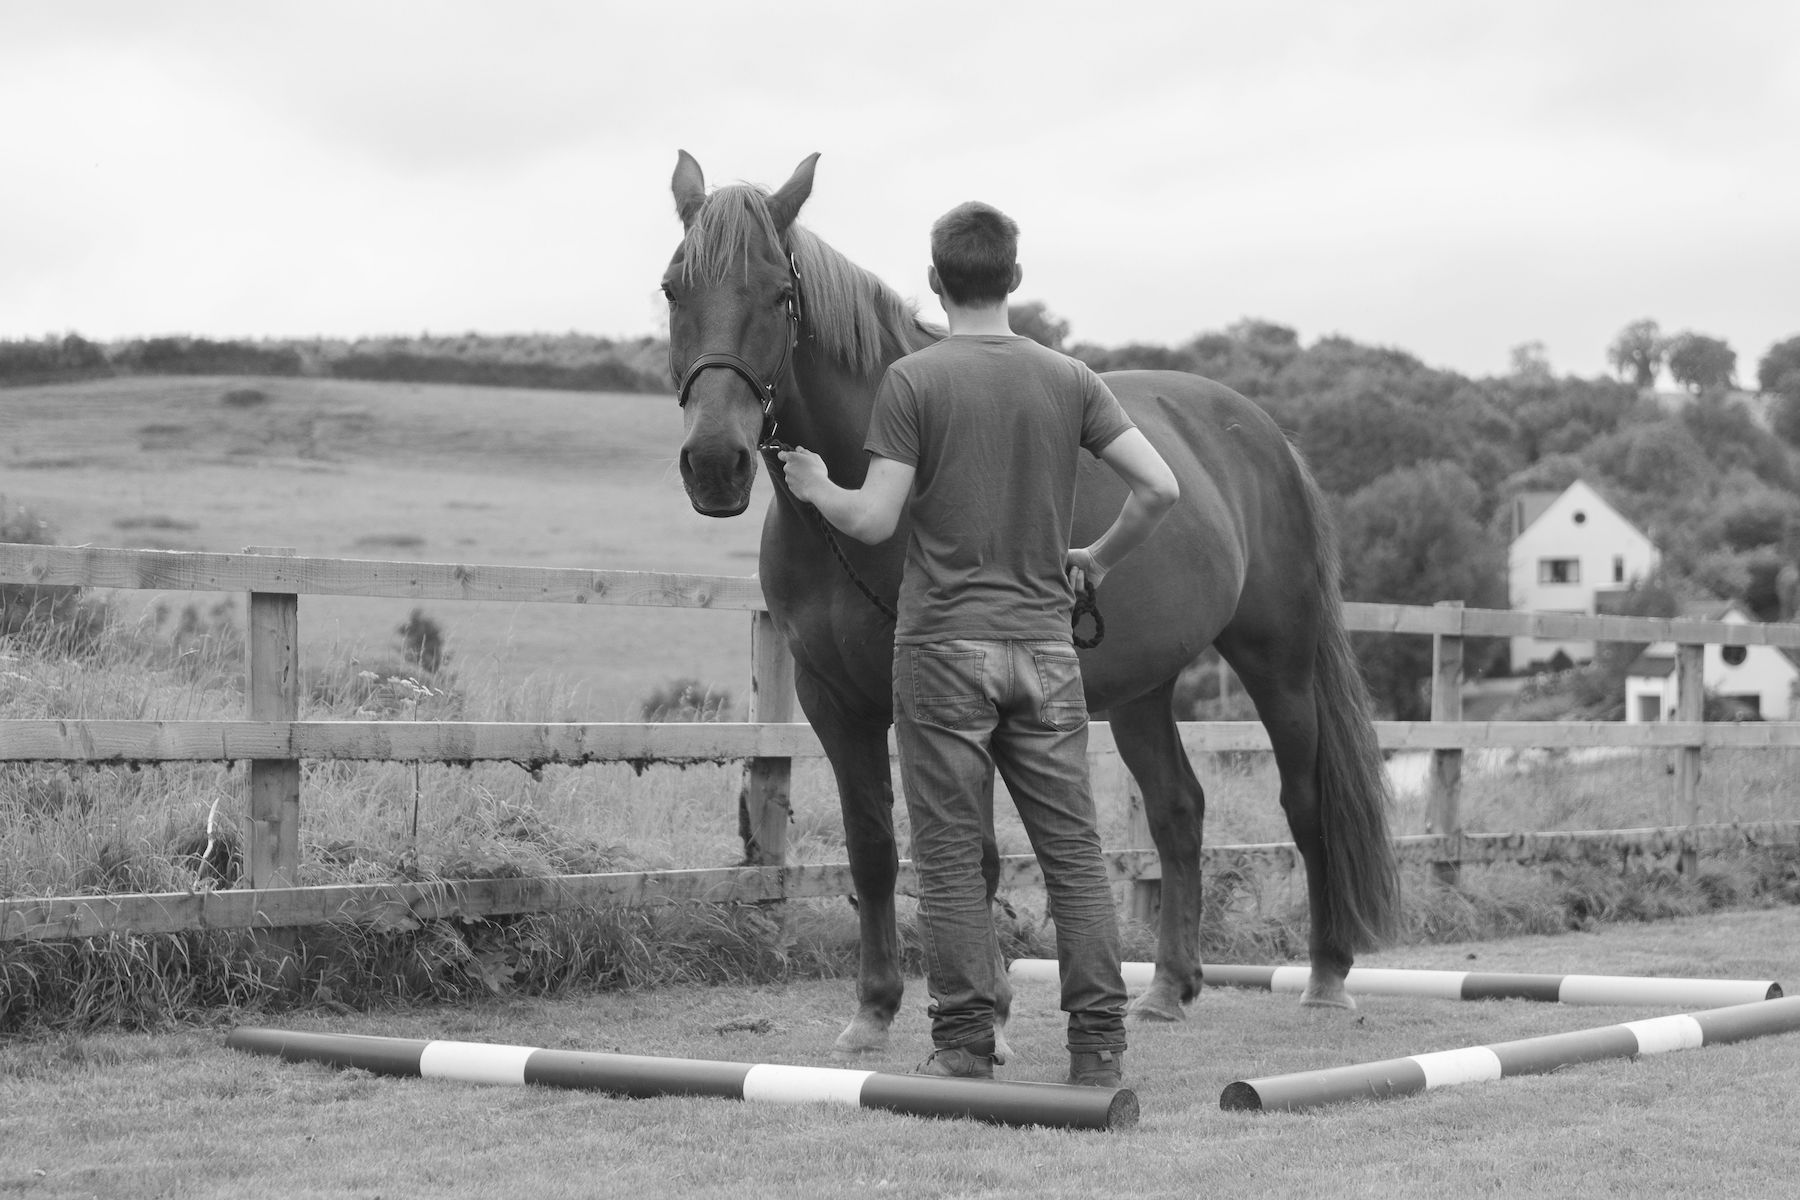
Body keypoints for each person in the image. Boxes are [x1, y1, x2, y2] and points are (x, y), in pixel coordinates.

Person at [779, 201, 1179, 1088]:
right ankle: (1097, 1048)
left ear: (934, 280)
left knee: (951, 856)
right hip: (1047, 651)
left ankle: (964, 1045)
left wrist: (815, 484)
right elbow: (1160, 488)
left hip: (941, 651)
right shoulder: (1071, 379)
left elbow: (873, 518)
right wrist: (1098, 558)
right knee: (1073, 853)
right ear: (1015, 278)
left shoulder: (913, 382)